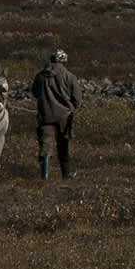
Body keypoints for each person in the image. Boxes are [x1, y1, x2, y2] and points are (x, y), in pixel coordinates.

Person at [31, 49, 81, 180]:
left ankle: (44, 177)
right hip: (64, 117)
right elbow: (77, 100)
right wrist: (70, 108)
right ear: (64, 61)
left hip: (45, 116)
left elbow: (35, 93)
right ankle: (66, 175)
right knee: (63, 146)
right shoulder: (70, 76)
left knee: (45, 146)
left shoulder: (40, 76)